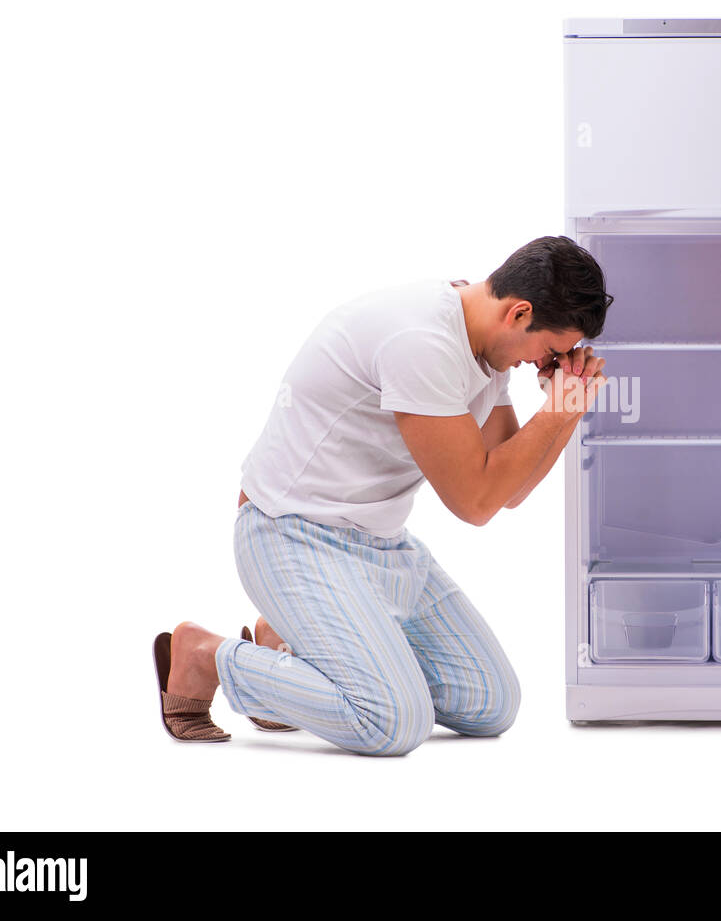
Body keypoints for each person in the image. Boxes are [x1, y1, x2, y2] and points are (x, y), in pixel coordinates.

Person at [153, 235, 611, 755]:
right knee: (389, 722)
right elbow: (476, 502)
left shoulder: (485, 344)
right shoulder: (421, 341)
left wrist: (564, 407)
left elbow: (511, 489)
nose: (543, 363)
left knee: (490, 703)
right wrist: (560, 409)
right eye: (550, 349)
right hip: (289, 532)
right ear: (519, 312)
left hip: (380, 543)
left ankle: (288, 644)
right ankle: (204, 656)